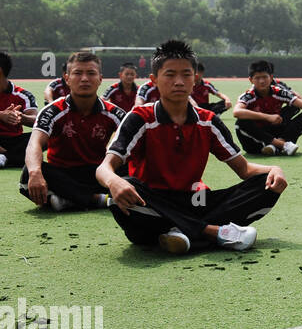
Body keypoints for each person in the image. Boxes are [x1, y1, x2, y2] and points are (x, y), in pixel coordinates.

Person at [96, 40, 287, 254]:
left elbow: (244, 170)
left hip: (196, 200)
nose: (178, 81)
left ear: (195, 79)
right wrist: (113, 181)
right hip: (152, 202)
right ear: (154, 80)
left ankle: (180, 233)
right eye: (170, 74)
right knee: (119, 193)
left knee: (265, 185)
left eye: (186, 74)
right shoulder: (140, 118)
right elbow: (104, 168)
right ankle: (214, 233)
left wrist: (274, 170)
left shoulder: (208, 121)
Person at [21, 51, 125, 211]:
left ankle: (68, 200)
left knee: (134, 171)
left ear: (100, 79)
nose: (84, 79)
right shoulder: (53, 110)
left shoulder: (115, 113)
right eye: (78, 73)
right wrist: (35, 172)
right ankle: (97, 200)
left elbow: (134, 147)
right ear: (67, 78)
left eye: (91, 73)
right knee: (28, 174)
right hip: (62, 175)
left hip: (98, 173)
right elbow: (34, 143)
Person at [233, 60, 302, 155]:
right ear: (251, 80)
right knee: (241, 122)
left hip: (274, 132)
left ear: (271, 77)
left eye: (265, 77)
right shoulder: (249, 95)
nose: (261, 81)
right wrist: (267, 117)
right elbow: (236, 112)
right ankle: (282, 145)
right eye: (257, 78)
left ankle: (276, 146)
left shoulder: (278, 92)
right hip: (255, 141)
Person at [0, 52, 39, 169]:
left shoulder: (23, 95)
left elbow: (37, 121)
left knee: (47, 135)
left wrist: (22, 117)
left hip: (14, 142)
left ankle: (5, 157)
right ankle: (14, 158)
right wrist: (1, 115)